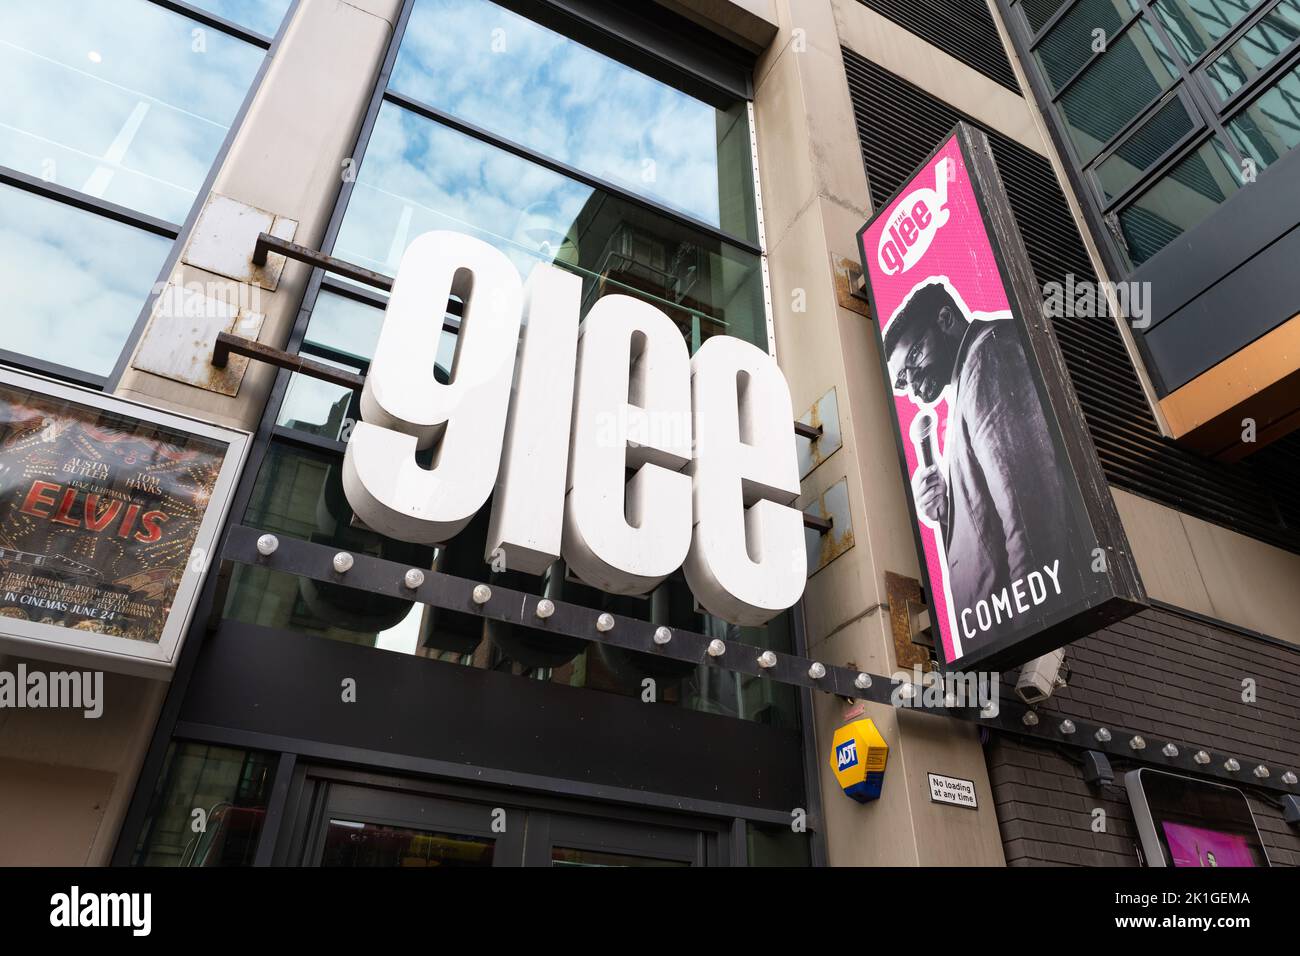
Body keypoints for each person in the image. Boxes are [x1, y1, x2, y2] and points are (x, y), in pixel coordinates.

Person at [885, 282, 1078, 644]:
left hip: (1020, 632)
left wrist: (1032, 633)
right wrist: (947, 510)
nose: (910, 384)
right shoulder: (968, 375)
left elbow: (1030, 517)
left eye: (913, 358)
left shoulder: (987, 357)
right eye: (901, 380)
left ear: (944, 319)